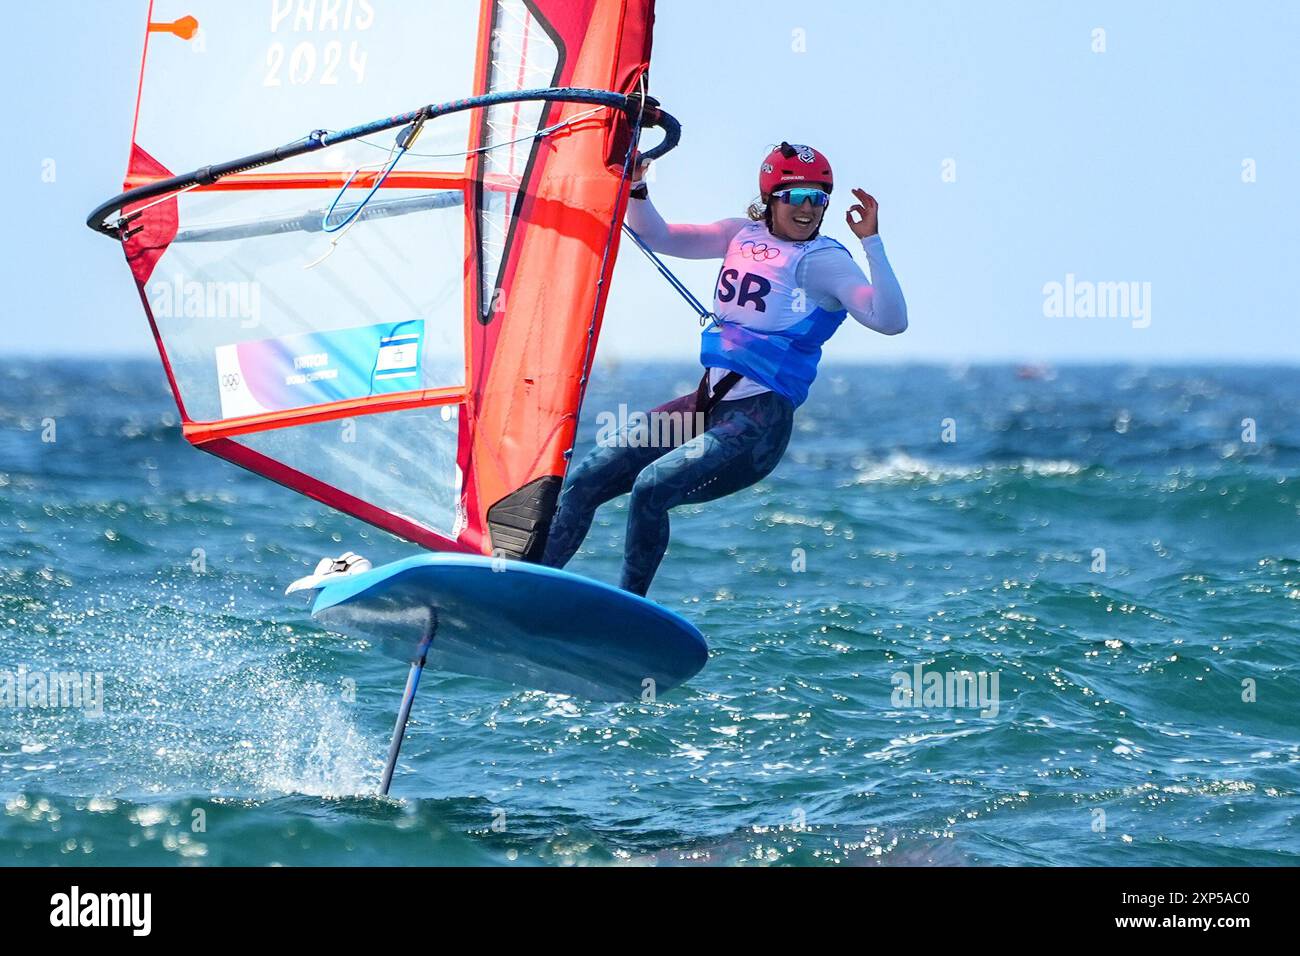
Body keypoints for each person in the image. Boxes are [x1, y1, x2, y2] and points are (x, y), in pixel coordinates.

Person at [541, 142, 908, 596]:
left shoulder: (824, 261)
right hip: (707, 404)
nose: (808, 209)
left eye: (818, 198)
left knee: (651, 488)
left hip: (759, 422)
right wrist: (636, 185)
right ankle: (527, 587)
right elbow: (661, 236)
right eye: (796, 197)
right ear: (771, 197)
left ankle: (626, 611)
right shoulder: (739, 235)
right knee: (586, 476)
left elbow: (890, 321)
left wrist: (871, 242)